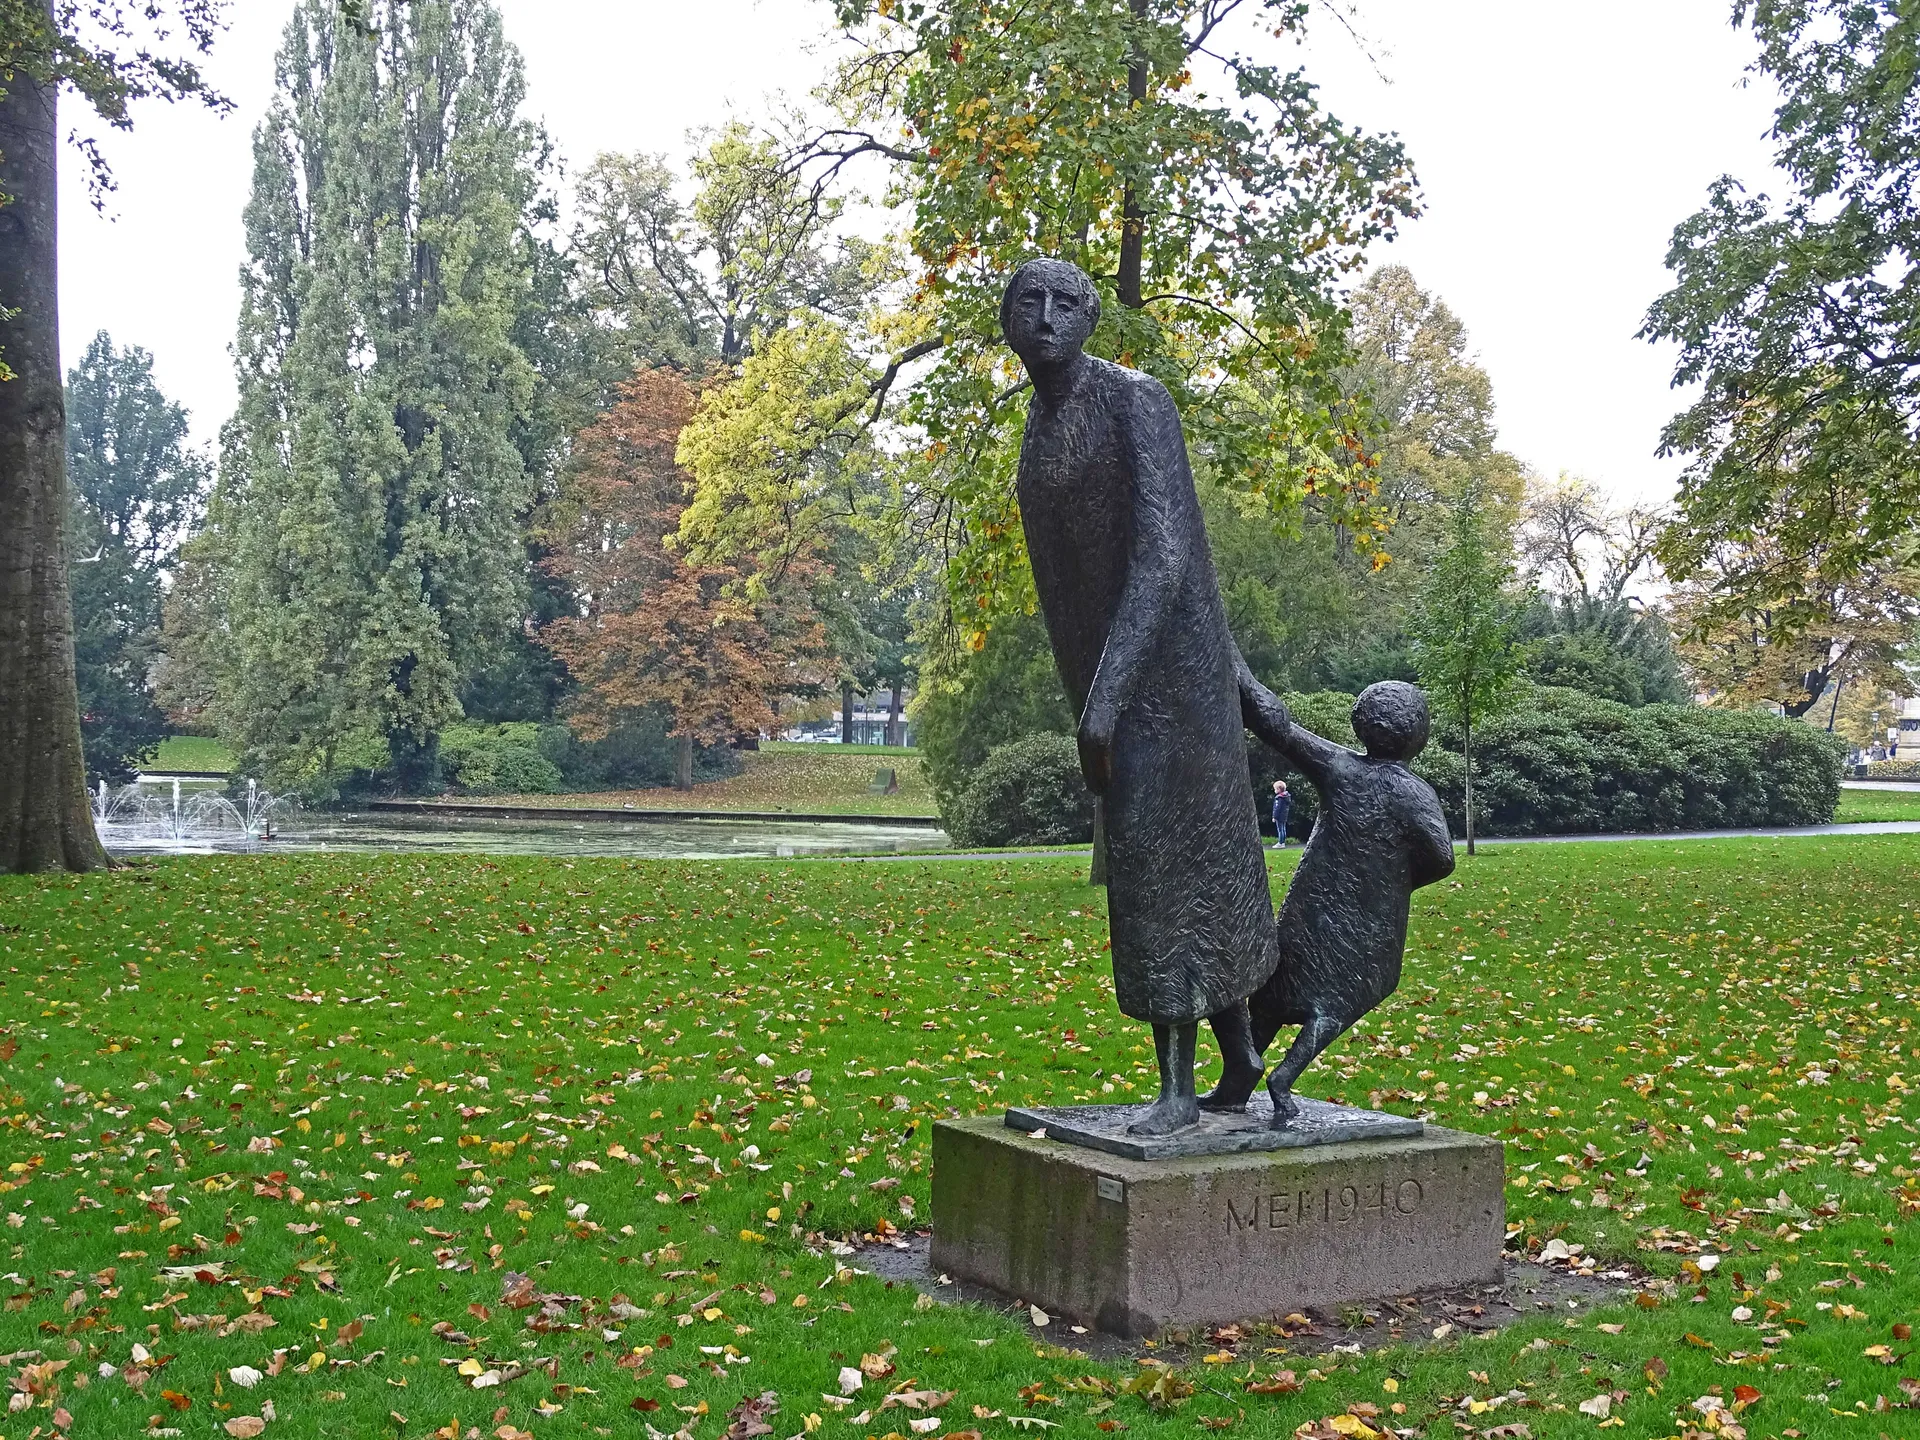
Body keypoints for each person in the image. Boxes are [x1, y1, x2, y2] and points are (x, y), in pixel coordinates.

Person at [1002, 258, 1276, 1137]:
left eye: (1066, 304)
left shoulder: (1135, 401)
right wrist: (1088, 686)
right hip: (1115, 676)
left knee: (1166, 863)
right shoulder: (1039, 430)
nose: (1045, 318)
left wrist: (1106, 699)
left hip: (1170, 675)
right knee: (1177, 858)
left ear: (1091, 320)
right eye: (1028, 303)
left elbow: (1165, 554)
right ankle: (1239, 1057)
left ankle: (1178, 1090)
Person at [1203, 665, 1456, 1126]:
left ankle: (1240, 1077)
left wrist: (1236, 671)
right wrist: (1392, 886)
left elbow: (1279, 728)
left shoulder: (1340, 768)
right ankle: (1278, 1076)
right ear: (1418, 735)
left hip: (1314, 905)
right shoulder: (1415, 793)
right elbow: (1441, 857)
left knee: (1275, 991)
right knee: (1336, 1000)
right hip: (1372, 922)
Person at [1270, 780, 1291, 849]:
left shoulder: (1279, 798)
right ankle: (1283, 842)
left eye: (1275, 789)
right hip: (1284, 815)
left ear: (1279, 789)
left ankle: (1280, 842)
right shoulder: (1286, 797)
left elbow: (1277, 808)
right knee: (1283, 829)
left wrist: (1274, 817)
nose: (1274, 790)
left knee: (1280, 830)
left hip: (1279, 816)